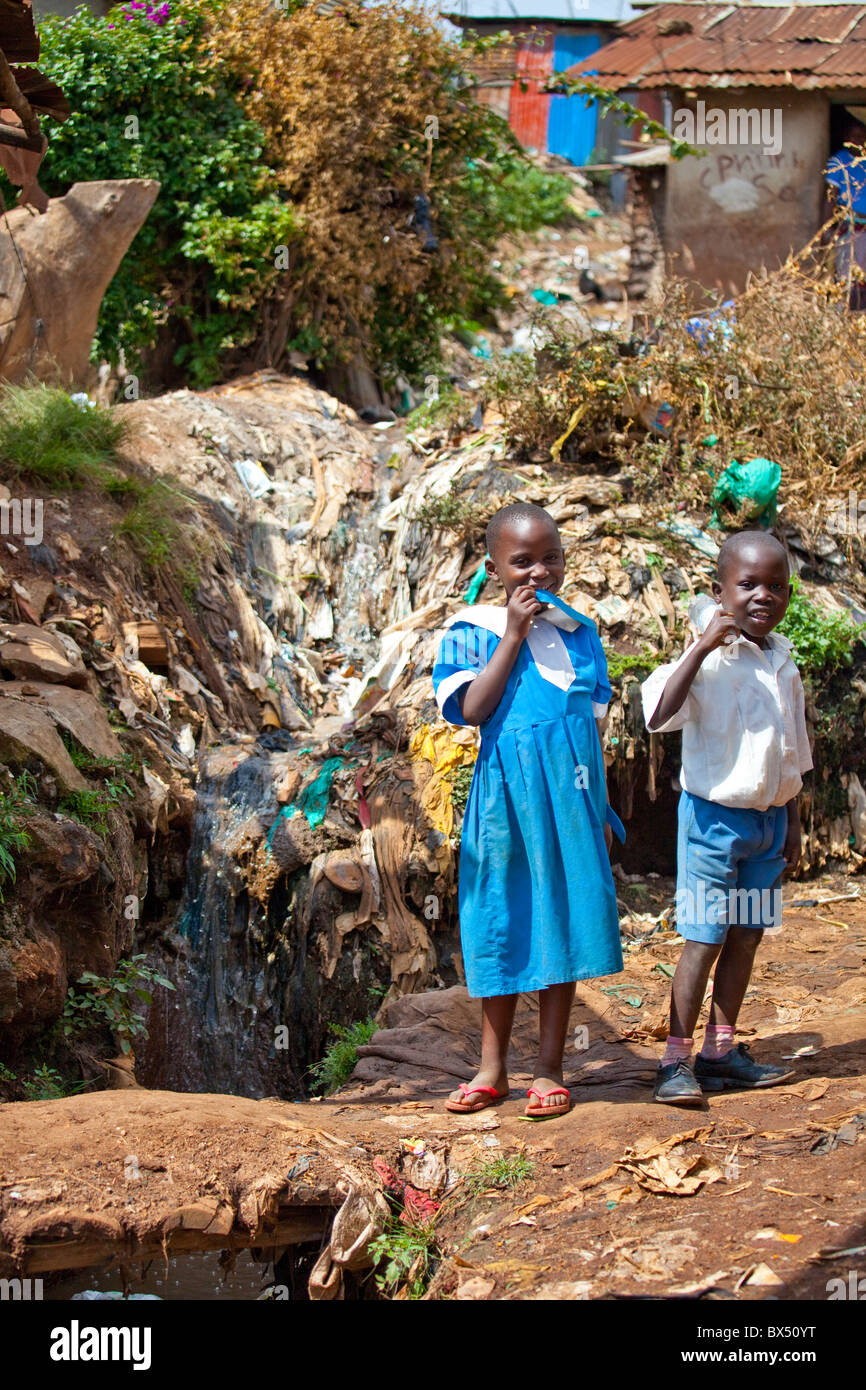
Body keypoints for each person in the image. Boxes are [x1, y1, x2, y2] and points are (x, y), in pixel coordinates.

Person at [431, 502, 624, 1119]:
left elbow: (590, 730)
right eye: (522, 562)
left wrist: (601, 808)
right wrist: (512, 633)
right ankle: (492, 1069)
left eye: (550, 558)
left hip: (569, 800)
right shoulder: (472, 630)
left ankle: (549, 1068)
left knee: (559, 921)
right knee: (500, 918)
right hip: (505, 803)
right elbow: (475, 710)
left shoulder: (579, 632)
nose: (538, 572)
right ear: (494, 568)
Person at [640, 531, 812, 1106]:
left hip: (767, 828)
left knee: (745, 936)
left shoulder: (782, 659)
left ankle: (720, 1051)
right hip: (713, 826)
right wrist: (702, 646)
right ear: (720, 592)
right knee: (703, 939)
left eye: (777, 586)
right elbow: (660, 716)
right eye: (749, 585)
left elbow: (795, 748)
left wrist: (793, 819)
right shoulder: (706, 662)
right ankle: (673, 1062)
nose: (764, 596)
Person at [825, 112, 866, 310]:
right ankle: (843, 317)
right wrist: (828, 226)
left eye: (862, 136)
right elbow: (830, 195)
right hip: (850, 226)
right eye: (854, 136)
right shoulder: (838, 161)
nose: (858, 141)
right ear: (846, 138)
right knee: (846, 275)